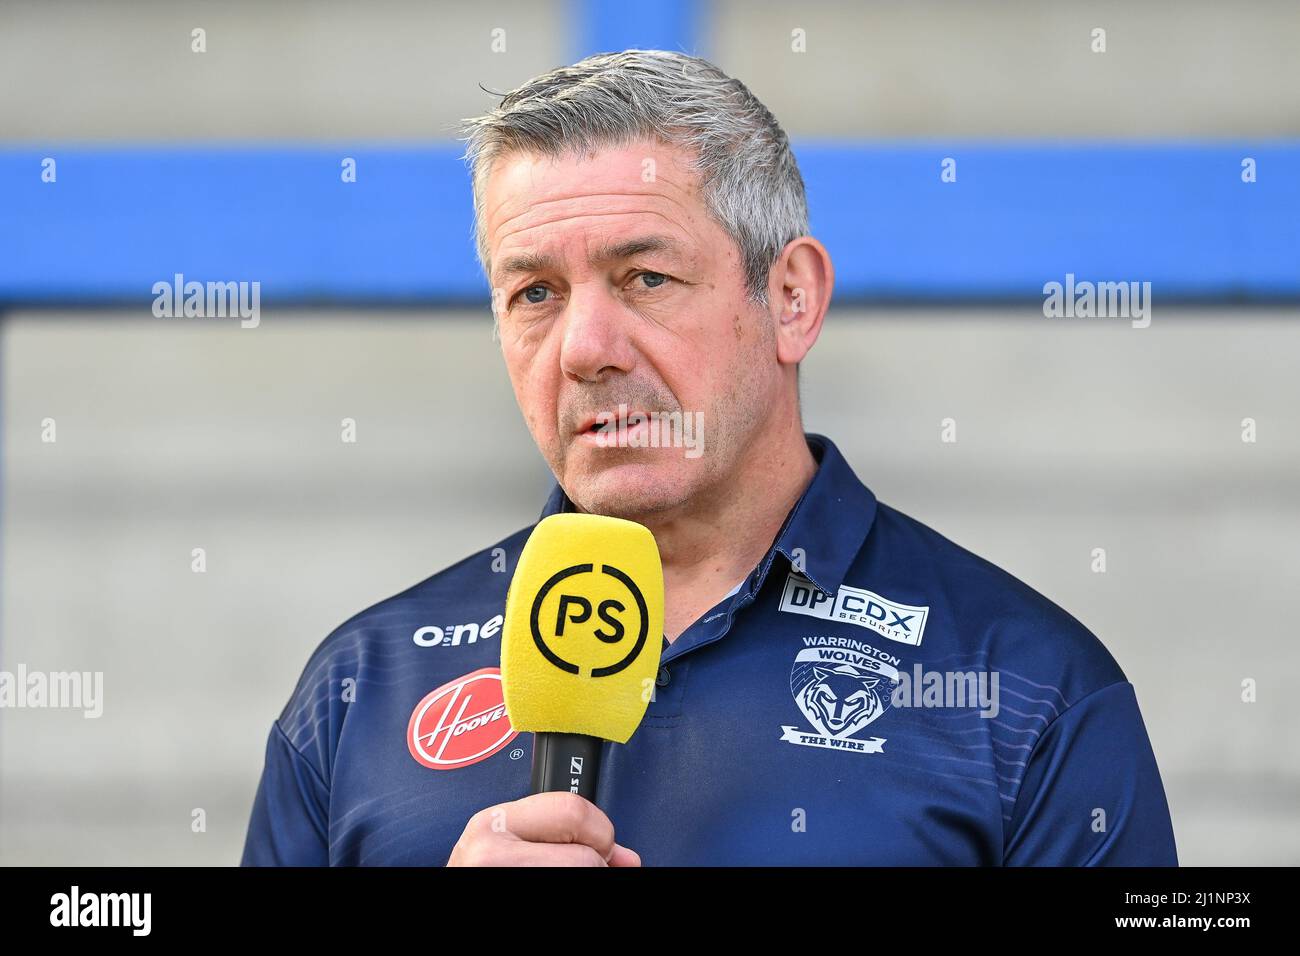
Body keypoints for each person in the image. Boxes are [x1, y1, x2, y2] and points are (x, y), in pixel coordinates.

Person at [241, 49, 1177, 866]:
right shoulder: (362, 686)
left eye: (646, 278)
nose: (584, 347)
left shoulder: (1025, 691)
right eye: (535, 293)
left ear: (792, 299)